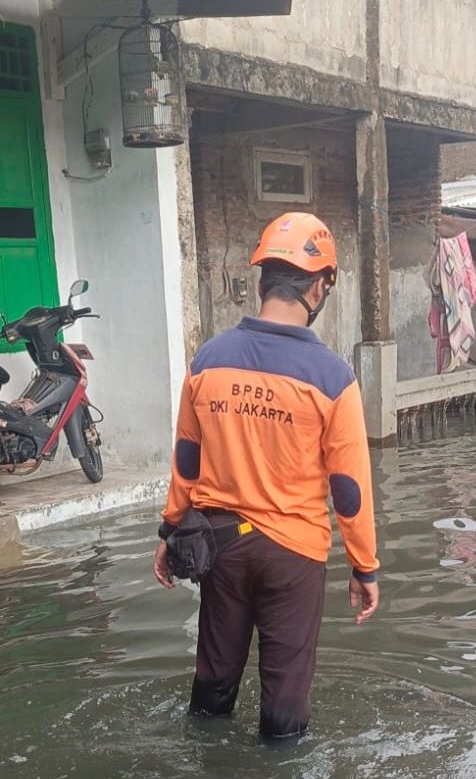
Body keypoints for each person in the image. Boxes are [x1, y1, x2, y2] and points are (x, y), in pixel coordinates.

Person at [153, 212, 380, 741]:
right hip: (294, 556)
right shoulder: (333, 378)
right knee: (284, 705)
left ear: (262, 281)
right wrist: (364, 567)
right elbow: (348, 490)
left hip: (220, 546)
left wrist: (169, 531)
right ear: (319, 287)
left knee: (212, 687)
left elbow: (187, 461)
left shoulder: (206, 361)